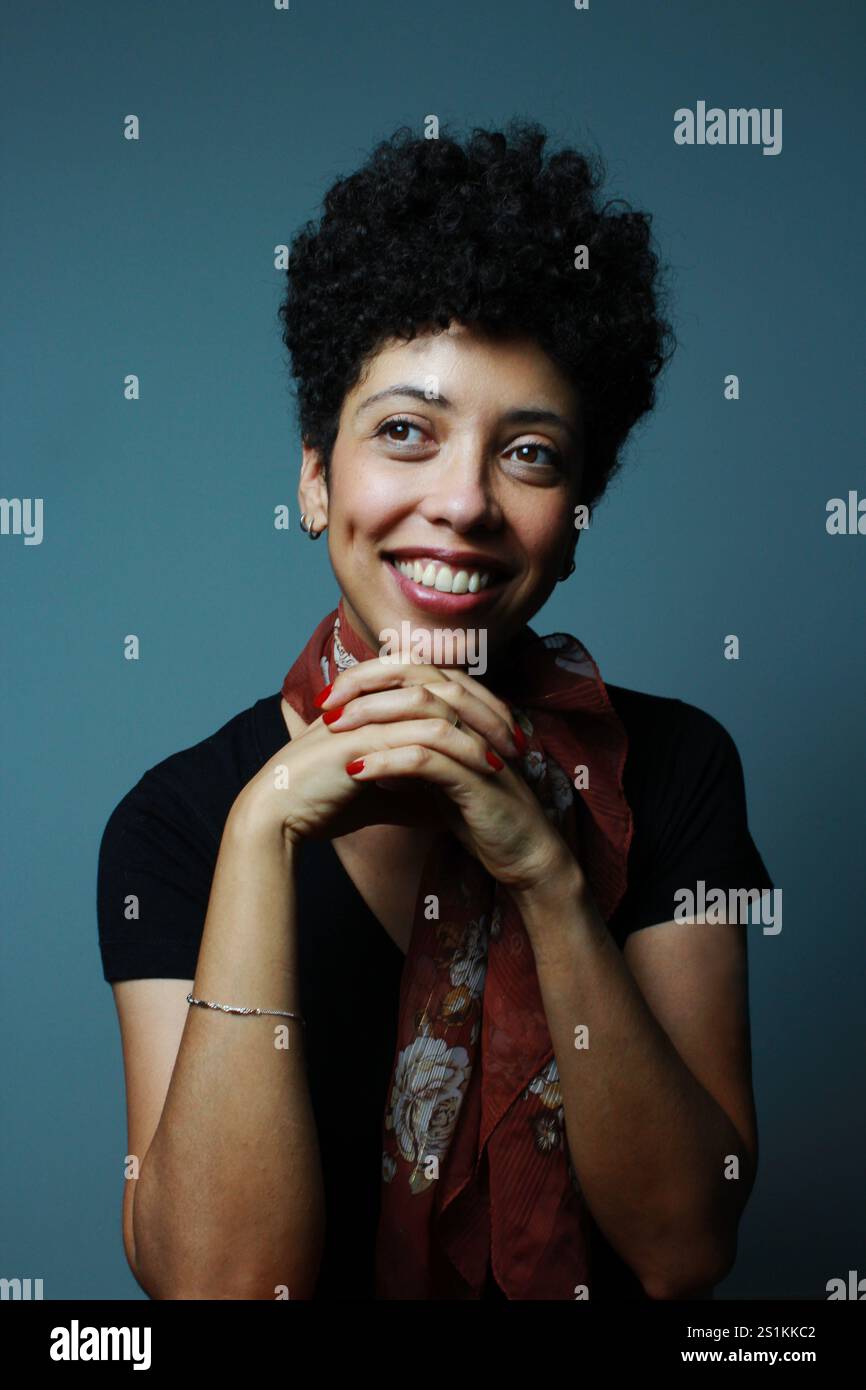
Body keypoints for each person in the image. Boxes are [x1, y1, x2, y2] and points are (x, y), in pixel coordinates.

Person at [97, 120, 773, 1301]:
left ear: (574, 515)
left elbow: (683, 1249)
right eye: (404, 431)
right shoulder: (177, 822)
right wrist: (260, 840)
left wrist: (546, 873)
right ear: (316, 479)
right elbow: (216, 1289)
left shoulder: (671, 768)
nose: (460, 501)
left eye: (526, 453)